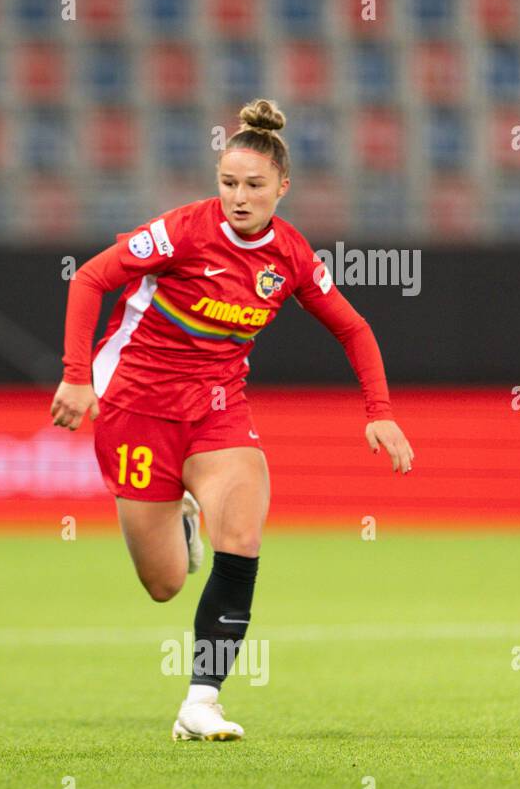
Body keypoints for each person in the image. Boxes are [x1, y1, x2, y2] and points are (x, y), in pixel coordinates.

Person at [50, 99, 415, 741]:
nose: (239, 198)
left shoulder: (292, 256)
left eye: (253, 186)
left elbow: (352, 328)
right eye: (228, 183)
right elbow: (89, 279)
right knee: (163, 585)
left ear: (282, 187)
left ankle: (201, 701)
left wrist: (380, 412)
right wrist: (78, 376)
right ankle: (184, 517)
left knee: (242, 541)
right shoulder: (182, 232)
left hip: (219, 409)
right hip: (136, 408)